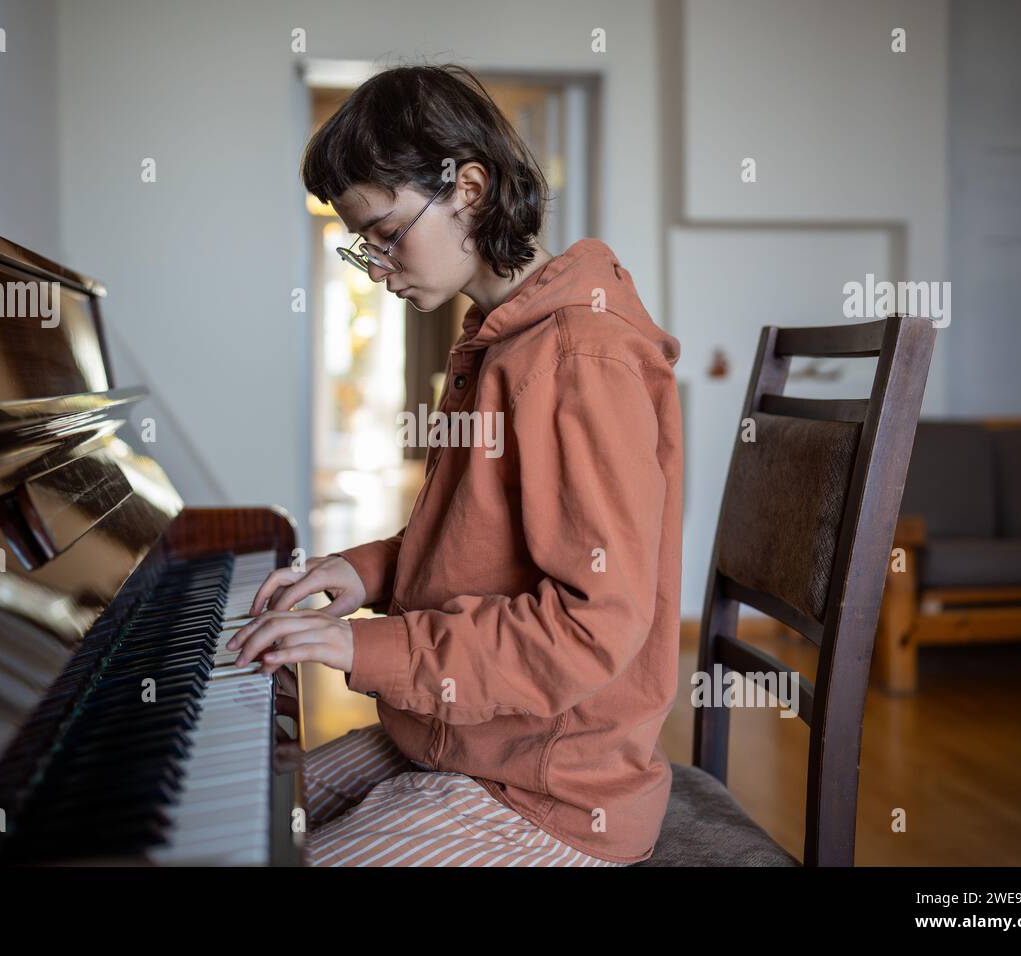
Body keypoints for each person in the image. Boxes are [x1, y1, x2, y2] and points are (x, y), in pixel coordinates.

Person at [228, 63, 684, 866]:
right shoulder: (502, 337)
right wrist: (365, 573)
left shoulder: (578, 356)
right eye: (362, 247)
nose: (378, 268)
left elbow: (591, 626)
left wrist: (359, 650)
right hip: (470, 741)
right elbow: (484, 541)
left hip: (550, 790)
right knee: (237, 823)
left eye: (386, 234)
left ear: (469, 188)